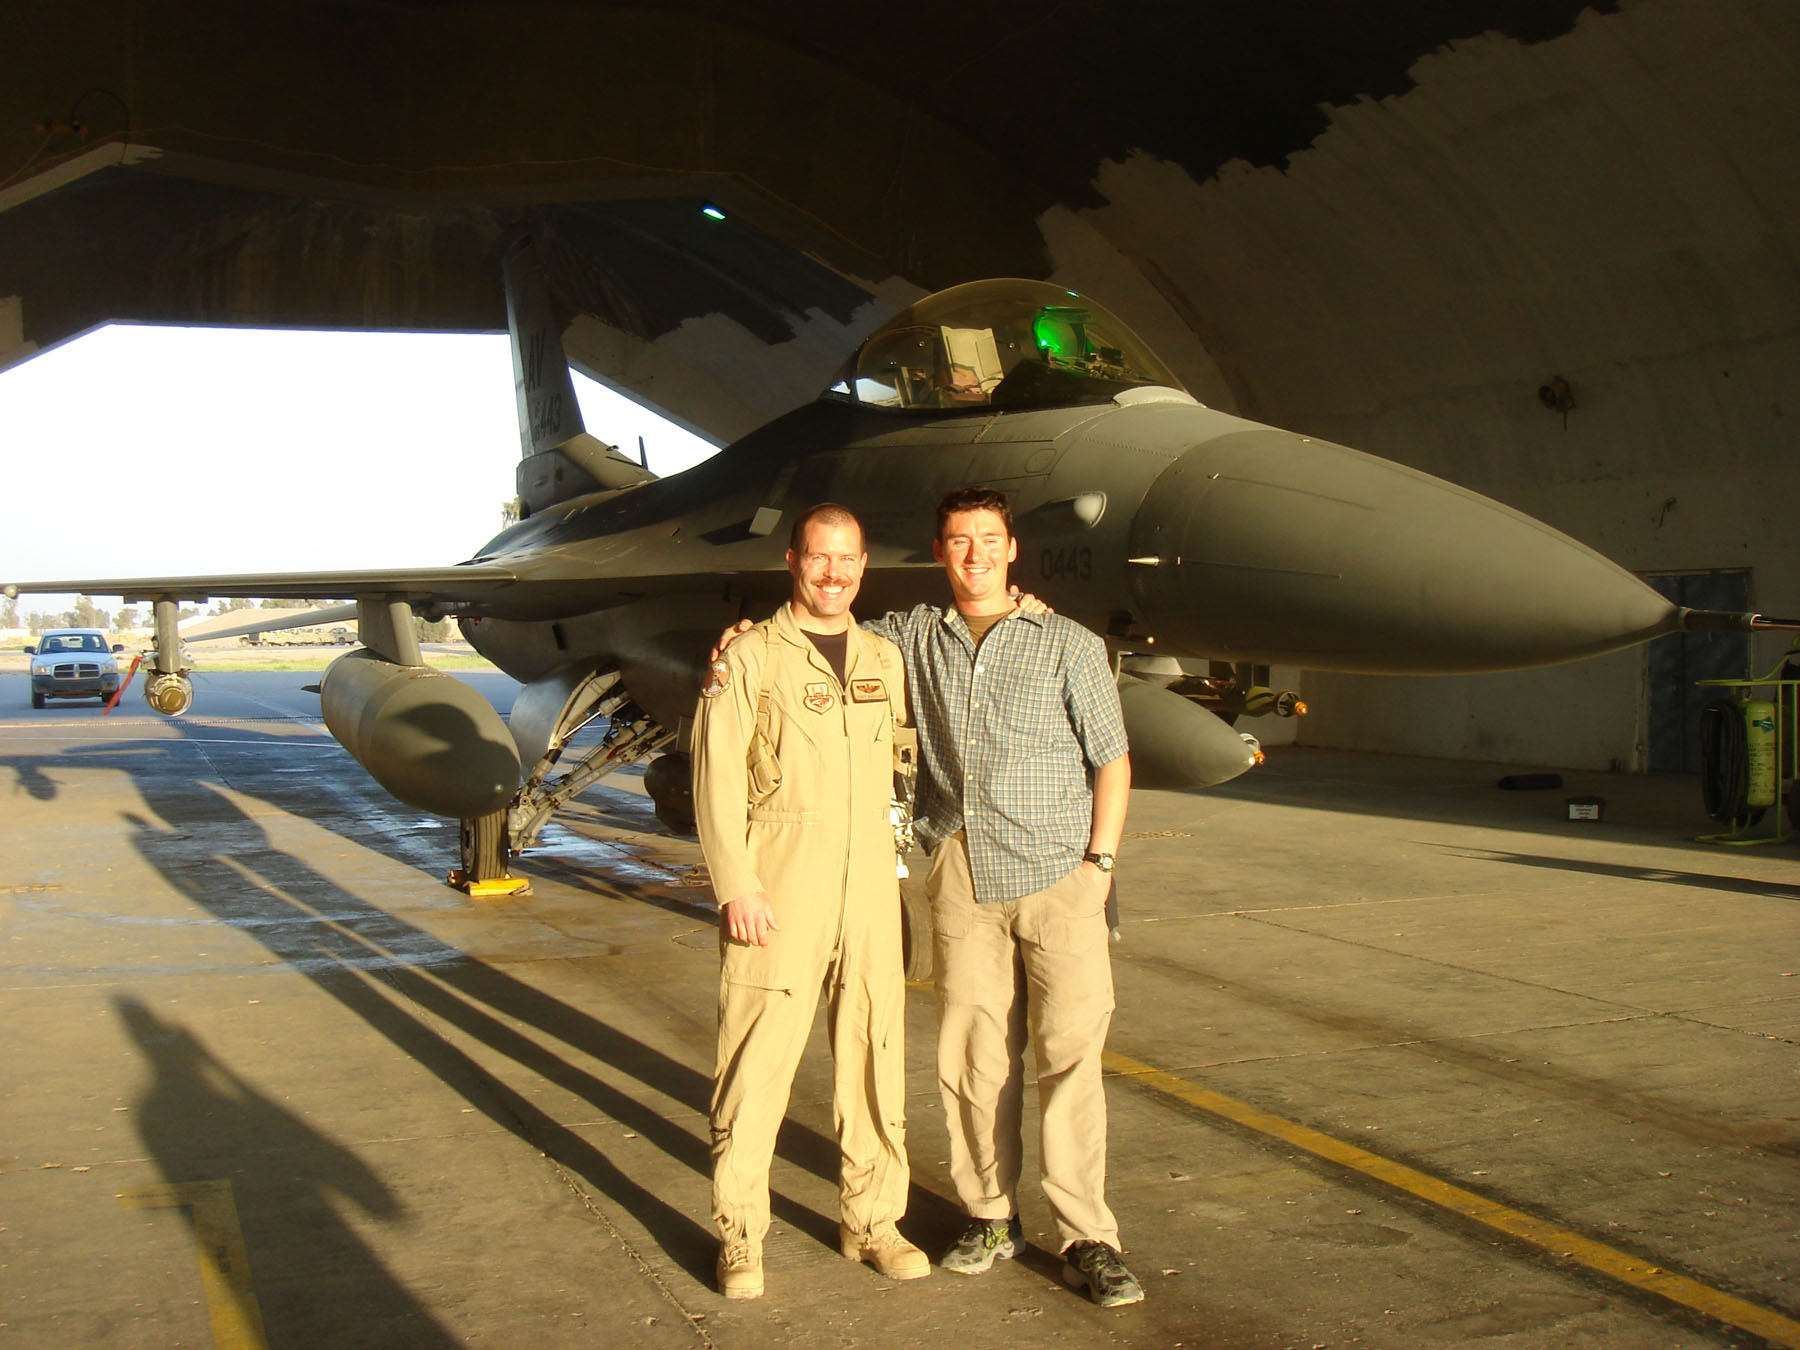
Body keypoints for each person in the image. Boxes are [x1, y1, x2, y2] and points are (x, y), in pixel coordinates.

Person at [712, 487, 1142, 1307]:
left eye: (989, 539)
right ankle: (987, 1216)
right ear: (939, 552)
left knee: (1064, 1058)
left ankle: (1083, 1234)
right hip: (953, 877)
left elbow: (1111, 759)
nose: (975, 554)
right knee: (971, 1061)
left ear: (1012, 549)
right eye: (959, 541)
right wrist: (744, 640)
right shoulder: (908, 637)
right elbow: (811, 648)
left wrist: (1100, 864)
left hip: (1053, 874)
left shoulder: (1062, 643)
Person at [691, 502, 929, 1301]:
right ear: (793, 561)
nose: (834, 573)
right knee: (756, 1064)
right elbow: (715, 776)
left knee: (875, 1058)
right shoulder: (750, 656)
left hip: (871, 889)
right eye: (819, 557)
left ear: (863, 567)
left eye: (847, 559)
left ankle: (874, 1222)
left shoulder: (884, 658)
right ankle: (740, 1236)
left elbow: (899, 770)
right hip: (780, 884)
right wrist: (736, 884)